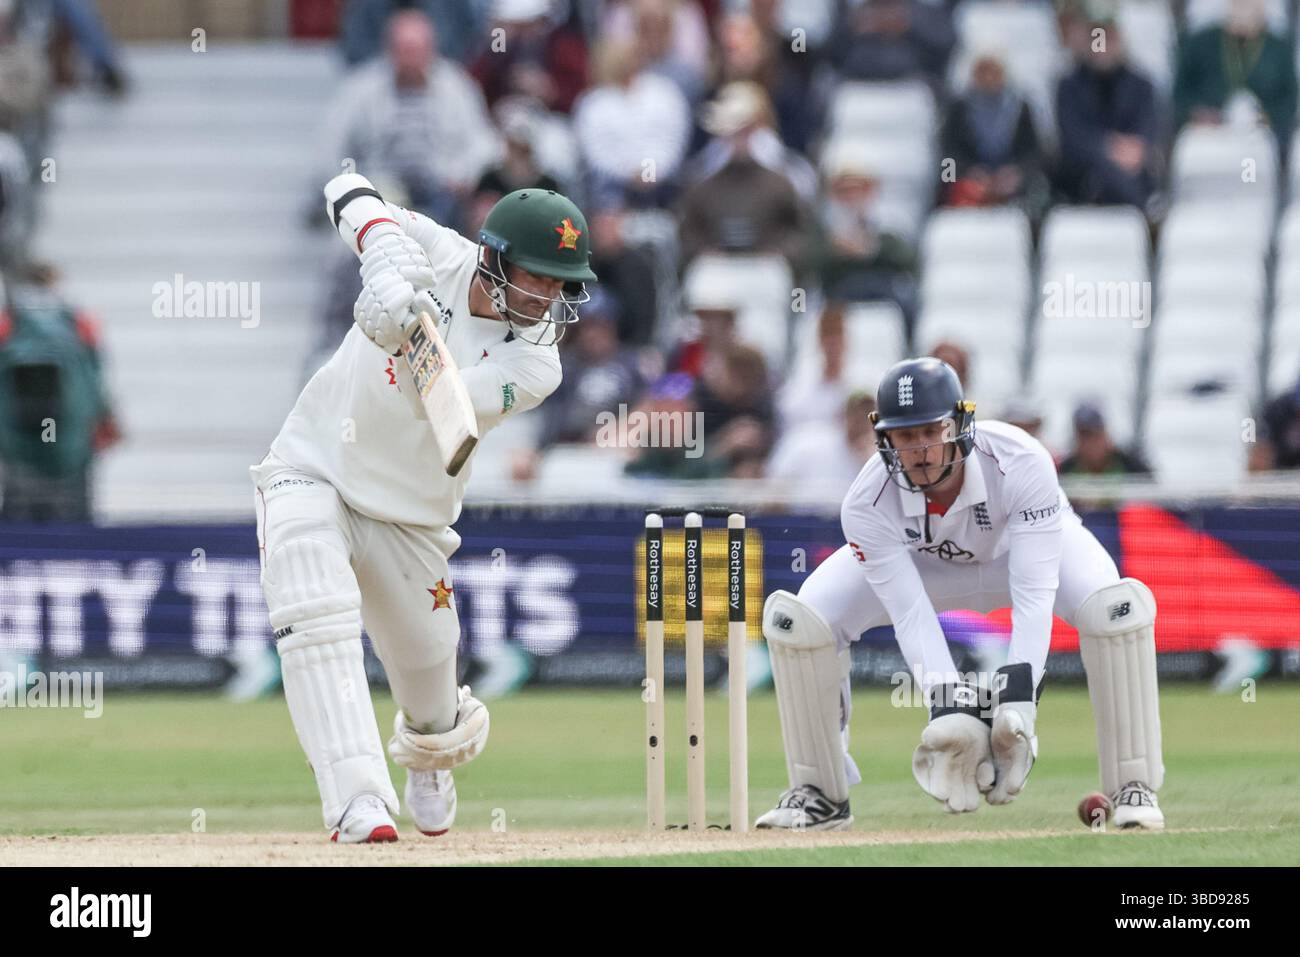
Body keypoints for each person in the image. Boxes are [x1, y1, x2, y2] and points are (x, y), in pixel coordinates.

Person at [251, 174, 594, 843]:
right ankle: (358, 802)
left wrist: (398, 330)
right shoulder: (438, 249)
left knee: (432, 692)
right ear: (493, 259)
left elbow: (443, 408)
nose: (549, 295)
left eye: (561, 284)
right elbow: (344, 187)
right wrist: (380, 247)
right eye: (538, 277)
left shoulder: (536, 364)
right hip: (312, 463)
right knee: (312, 600)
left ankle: (428, 751)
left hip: (413, 515)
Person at [755, 358, 1165, 830]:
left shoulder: (1020, 460)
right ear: (886, 440)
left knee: (1114, 609)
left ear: (959, 425)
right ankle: (820, 795)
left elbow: (1033, 594)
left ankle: (1133, 785)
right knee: (804, 620)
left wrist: (1020, 702)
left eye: (931, 431)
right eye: (905, 436)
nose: (920, 449)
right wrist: (950, 708)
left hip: (1016, 551)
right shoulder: (866, 502)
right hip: (925, 565)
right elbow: (909, 612)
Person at [1057, 402, 1151, 475]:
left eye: (1095, 436)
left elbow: (1153, 492)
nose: (1090, 445)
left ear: (1105, 435)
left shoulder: (1131, 466)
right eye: (1084, 437)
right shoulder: (1066, 470)